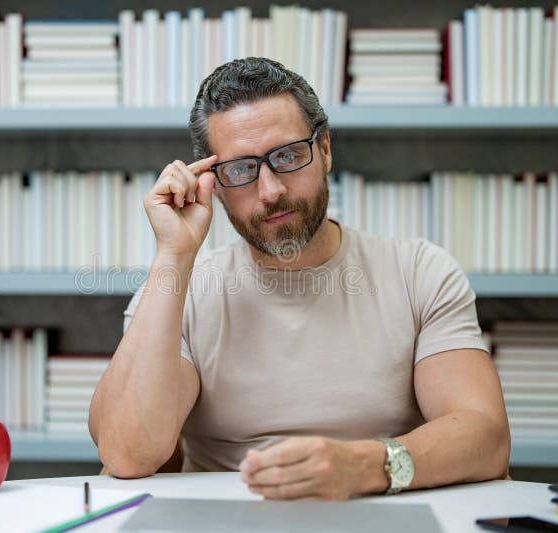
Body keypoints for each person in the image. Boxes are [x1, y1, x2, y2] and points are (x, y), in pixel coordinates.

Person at [88, 57, 510, 500]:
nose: (270, 191)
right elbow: (126, 453)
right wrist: (173, 255)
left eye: (287, 156)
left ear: (325, 149)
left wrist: (362, 466)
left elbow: (485, 436)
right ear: (211, 183)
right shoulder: (182, 291)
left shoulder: (420, 272)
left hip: (380, 515)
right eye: (240, 169)